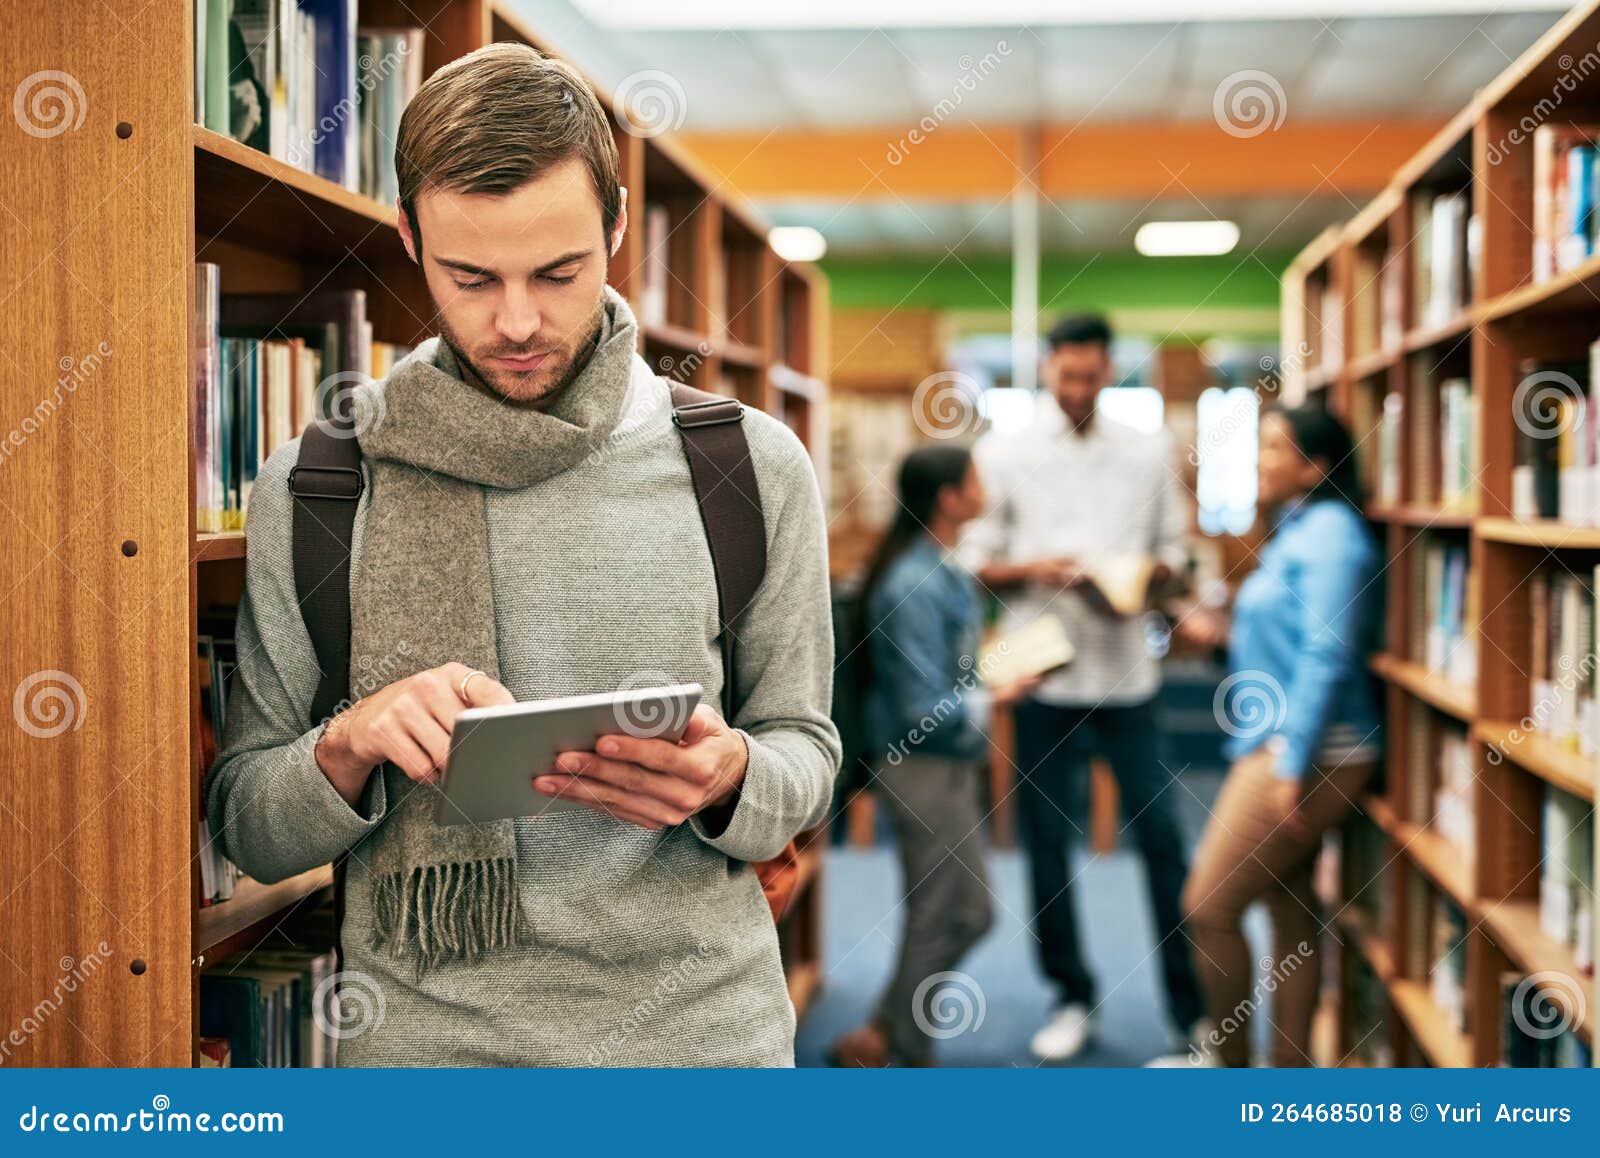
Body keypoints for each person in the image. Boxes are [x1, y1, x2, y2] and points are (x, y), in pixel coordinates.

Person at [206, 43, 841, 1067]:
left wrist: (731, 775)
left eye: (558, 273)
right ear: (409, 239)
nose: (515, 323)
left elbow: (805, 752)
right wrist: (349, 743)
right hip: (425, 1064)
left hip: (704, 1047)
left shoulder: (746, 467)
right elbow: (248, 827)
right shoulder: (319, 485)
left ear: (617, 229)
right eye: (470, 276)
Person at [959, 313, 1204, 1061]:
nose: (1079, 390)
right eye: (1067, 376)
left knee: (1161, 840)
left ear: (1110, 371)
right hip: (1042, 675)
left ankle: (1191, 1012)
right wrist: (1039, 568)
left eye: (1093, 377)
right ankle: (1070, 993)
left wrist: (1142, 580)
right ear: (1046, 368)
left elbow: (1179, 557)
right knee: (1044, 844)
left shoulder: (1147, 449)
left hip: (1129, 670)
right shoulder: (1004, 451)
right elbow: (973, 558)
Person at [1174, 406, 1383, 1068]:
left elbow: (1327, 654)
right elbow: (1290, 641)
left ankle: (1229, 1069)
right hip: (1288, 743)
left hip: (1311, 751)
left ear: (1314, 467)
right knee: (1290, 915)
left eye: (1273, 447)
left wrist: (1292, 763)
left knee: (1207, 907)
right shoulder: (1300, 529)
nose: (1259, 458)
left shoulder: (1331, 537)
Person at [830, 447, 1034, 1067]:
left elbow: (946, 672)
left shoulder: (937, 566)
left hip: (944, 765)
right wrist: (994, 698)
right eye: (975, 477)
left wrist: (988, 677)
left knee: (962, 911)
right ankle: (904, 1047)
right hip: (919, 765)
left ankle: (885, 1033)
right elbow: (923, 710)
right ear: (949, 496)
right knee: (945, 909)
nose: (984, 486)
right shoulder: (914, 581)